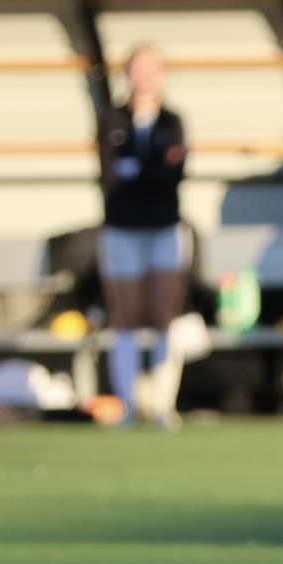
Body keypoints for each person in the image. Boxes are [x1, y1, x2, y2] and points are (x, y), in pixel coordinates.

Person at [97, 45, 189, 428]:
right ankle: (128, 404)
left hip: (164, 226)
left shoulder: (172, 120)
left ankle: (164, 405)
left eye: (151, 69)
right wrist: (148, 168)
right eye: (137, 69)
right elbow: (110, 173)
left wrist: (140, 168)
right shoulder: (113, 117)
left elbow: (174, 171)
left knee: (164, 314)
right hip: (122, 227)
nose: (144, 77)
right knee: (125, 316)